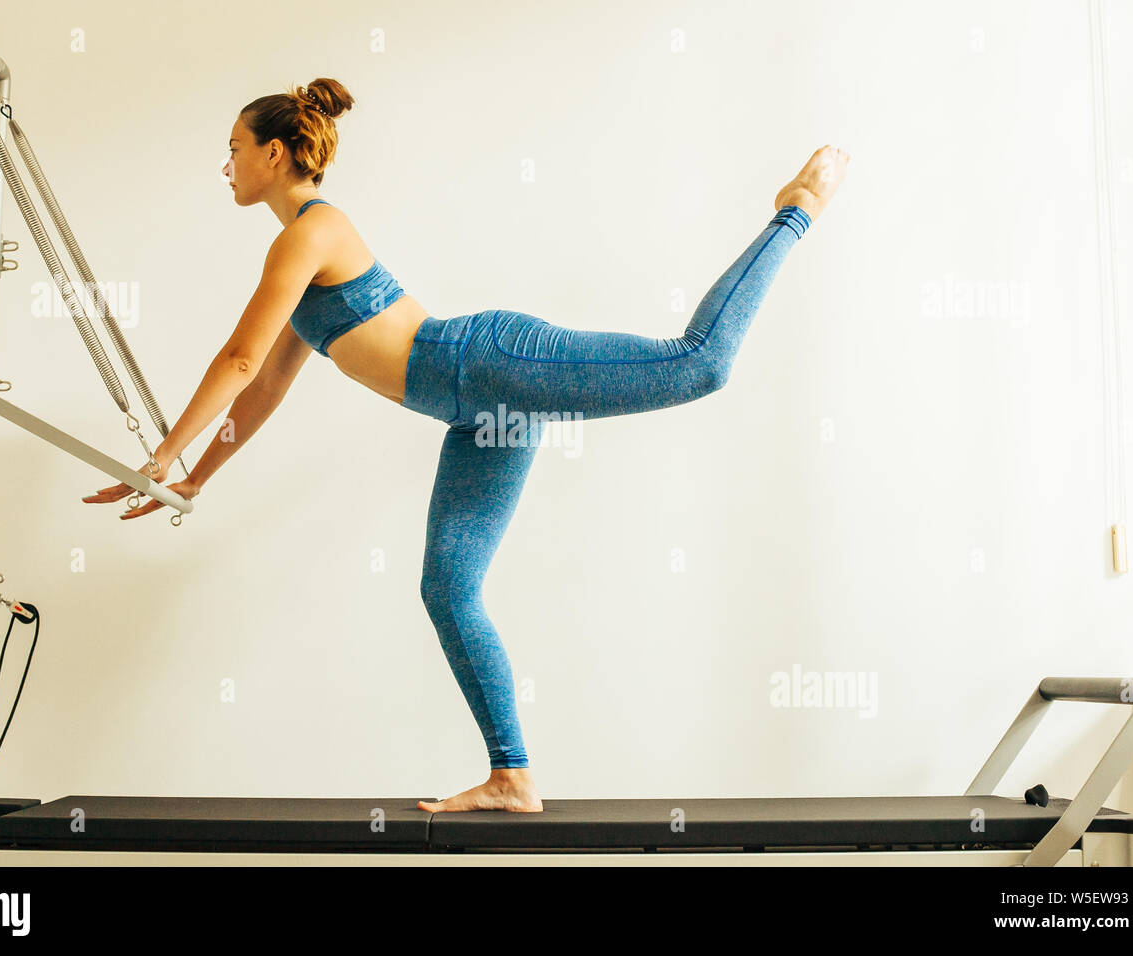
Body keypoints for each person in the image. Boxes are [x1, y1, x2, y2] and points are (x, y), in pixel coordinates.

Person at [83, 77, 850, 813]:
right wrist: (196, 476)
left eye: (235, 148)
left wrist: (161, 456)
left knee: (697, 364)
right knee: (447, 591)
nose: (226, 166)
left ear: (274, 154)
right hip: (476, 415)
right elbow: (264, 388)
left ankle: (796, 210)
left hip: (490, 360)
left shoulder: (313, 230)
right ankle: (512, 775)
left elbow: (238, 359)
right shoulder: (300, 249)